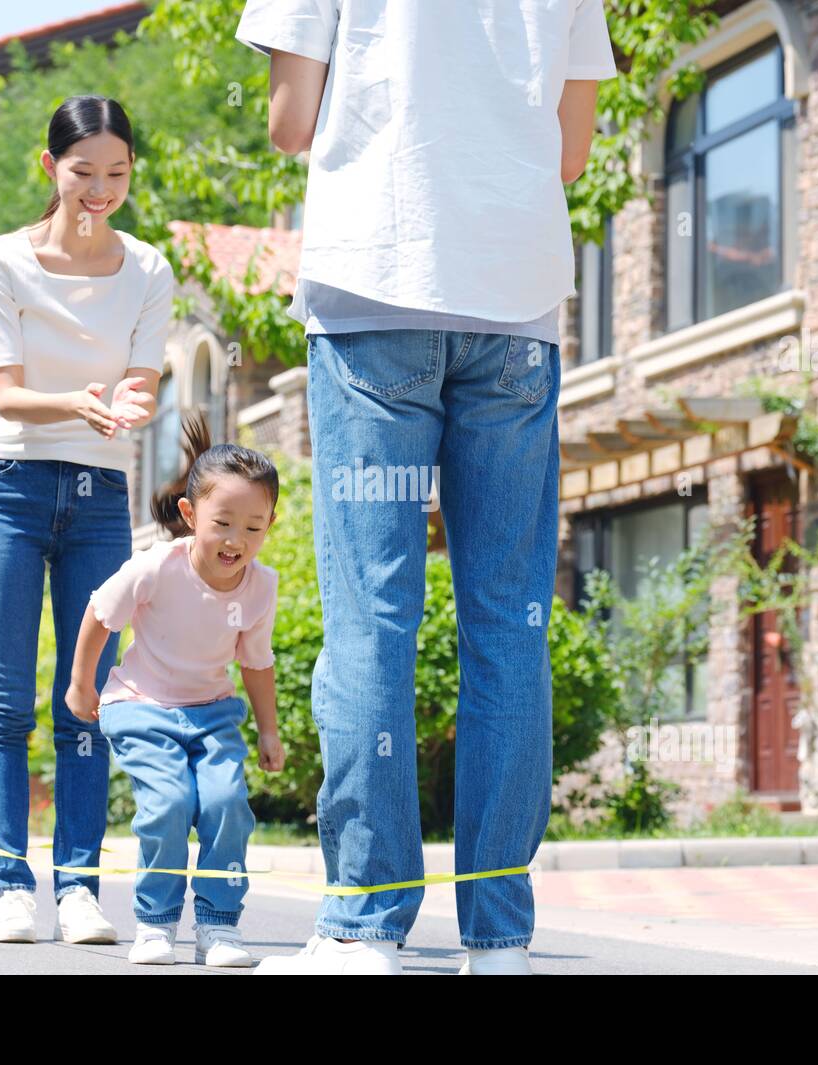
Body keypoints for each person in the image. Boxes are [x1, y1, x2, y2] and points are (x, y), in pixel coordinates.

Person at [234, 0, 618, 974]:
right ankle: (499, 938)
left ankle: (363, 924)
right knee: (509, 617)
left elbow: (287, 121)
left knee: (373, 617)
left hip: (374, 291)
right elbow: (571, 153)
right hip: (516, 307)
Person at [0, 94, 175, 945]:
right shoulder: (2, 262)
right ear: (49, 168)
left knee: (85, 694)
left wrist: (128, 405)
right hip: (8, 483)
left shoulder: (149, 270)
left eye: (117, 174)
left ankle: (81, 887)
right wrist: (76, 404)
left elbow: (146, 384)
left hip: (98, 497)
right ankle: (10, 884)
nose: (101, 189)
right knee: (5, 699)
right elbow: (7, 394)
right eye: (83, 172)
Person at [65, 412, 284, 966]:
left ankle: (218, 925)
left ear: (270, 525)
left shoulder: (261, 587)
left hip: (211, 712)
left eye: (253, 527)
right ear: (190, 516)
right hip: (141, 706)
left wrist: (269, 731)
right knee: (169, 804)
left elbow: (256, 664)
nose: (236, 540)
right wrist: (80, 685)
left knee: (226, 803)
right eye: (223, 523)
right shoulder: (154, 568)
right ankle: (156, 924)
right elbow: (99, 614)